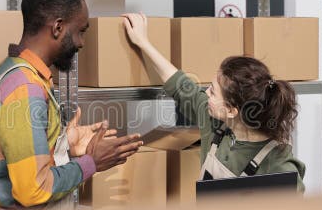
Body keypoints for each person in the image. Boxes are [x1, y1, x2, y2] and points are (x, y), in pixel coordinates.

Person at [0, 0, 143, 210]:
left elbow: (23, 157)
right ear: (58, 27)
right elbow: (33, 189)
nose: (81, 43)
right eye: (80, 31)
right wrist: (91, 162)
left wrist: (65, 147)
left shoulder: (17, 71)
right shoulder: (24, 86)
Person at [122, 12, 305, 191]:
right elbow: (181, 85)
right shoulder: (215, 123)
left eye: (213, 91)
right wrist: (143, 42)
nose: (206, 93)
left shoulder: (279, 166)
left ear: (231, 110)